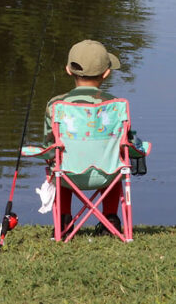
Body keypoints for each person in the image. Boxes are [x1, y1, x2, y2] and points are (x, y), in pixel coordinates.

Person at [43, 40, 135, 236]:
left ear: (68, 70)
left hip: (67, 175)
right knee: (115, 158)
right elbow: (126, 142)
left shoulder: (56, 105)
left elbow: (49, 145)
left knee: (59, 158)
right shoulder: (115, 105)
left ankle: (64, 220)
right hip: (108, 175)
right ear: (106, 73)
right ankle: (110, 218)